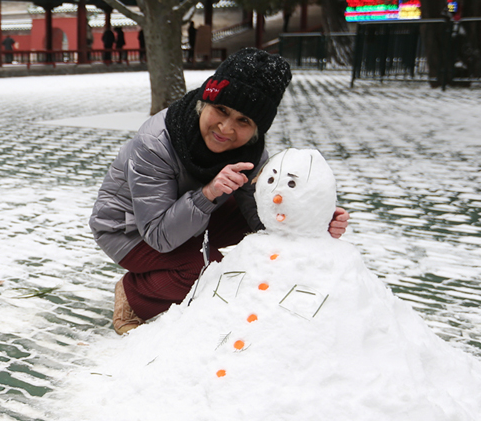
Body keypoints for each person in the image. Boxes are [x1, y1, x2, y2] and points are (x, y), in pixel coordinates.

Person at [89, 48, 349, 334]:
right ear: (205, 100)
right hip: (130, 229)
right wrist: (209, 193)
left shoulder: (251, 151)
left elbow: (264, 219)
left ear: (256, 130)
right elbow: (158, 236)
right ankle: (134, 296)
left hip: (190, 216)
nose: (225, 128)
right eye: (221, 110)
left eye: (244, 121)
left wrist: (311, 221)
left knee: (268, 216)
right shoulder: (156, 142)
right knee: (205, 269)